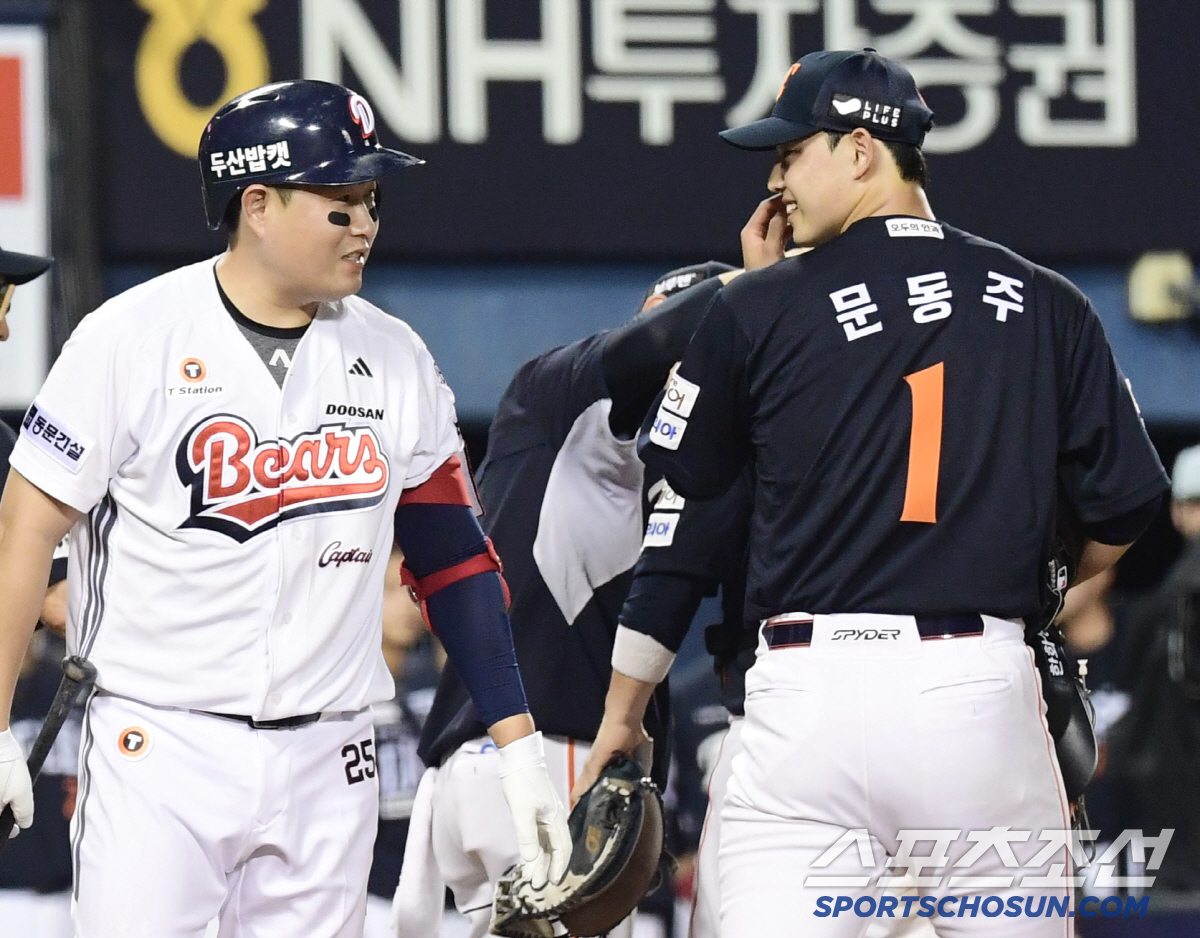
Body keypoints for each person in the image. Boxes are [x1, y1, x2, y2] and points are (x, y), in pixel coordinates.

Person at [578, 48, 1169, 937]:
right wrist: (1034, 599)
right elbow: (1127, 506)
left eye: (789, 155)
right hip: (975, 691)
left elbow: (686, 495)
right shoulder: (1049, 303)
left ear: (860, 151)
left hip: (803, 702)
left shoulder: (755, 307)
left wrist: (751, 293)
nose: (776, 183)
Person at [0, 79, 569, 938]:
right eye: (339, 203)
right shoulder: (131, 337)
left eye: (370, 200)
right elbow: (25, 528)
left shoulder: (396, 356)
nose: (366, 224)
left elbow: (452, 558)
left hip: (329, 751)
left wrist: (517, 739)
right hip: (161, 743)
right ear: (256, 203)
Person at [392, 261, 734, 938]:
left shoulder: (689, 470)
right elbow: (655, 343)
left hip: (488, 770)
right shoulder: (563, 399)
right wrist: (770, 283)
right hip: (548, 761)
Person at [1106, 443, 1200, 889]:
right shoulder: (1169, 599)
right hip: (1176, 819)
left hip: (1174, 824)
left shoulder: (1167, 598)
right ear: (1180, 513)